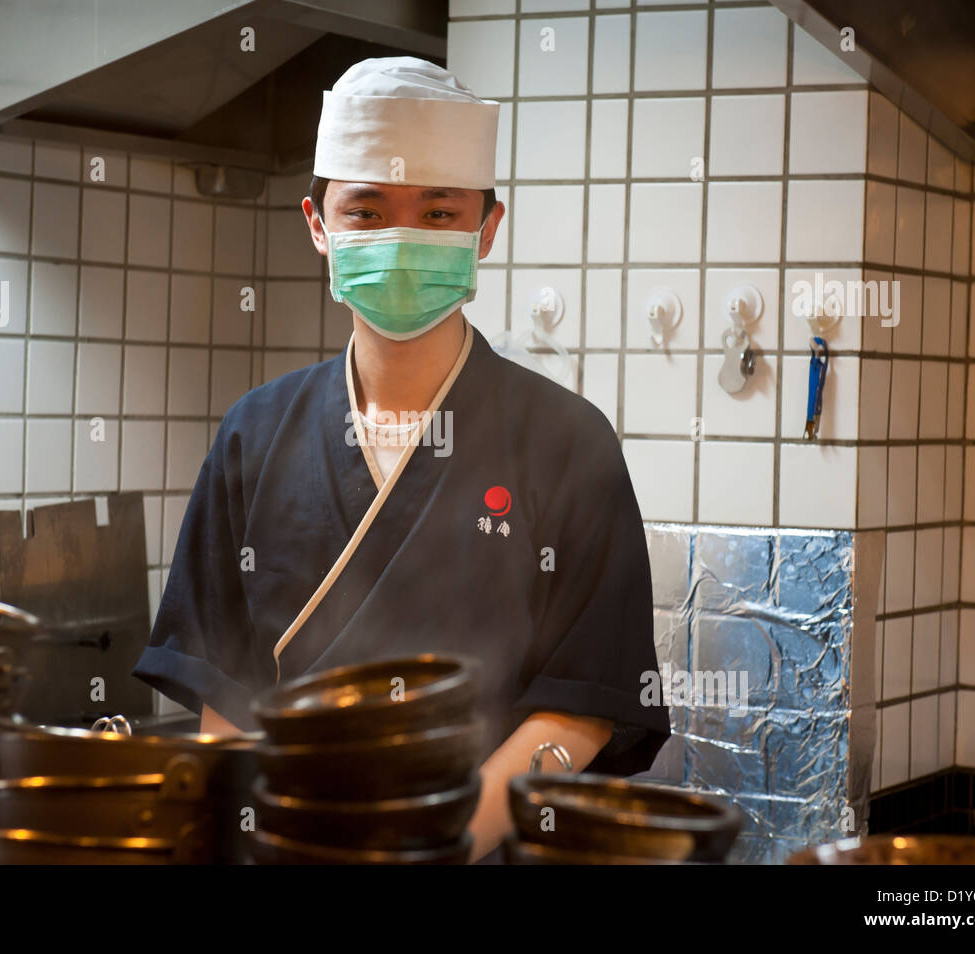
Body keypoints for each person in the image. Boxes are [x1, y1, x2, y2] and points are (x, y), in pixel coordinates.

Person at [133, 56, 668, 863]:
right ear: (319, 225)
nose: (402, 241)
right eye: (368, 210)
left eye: (440, 213)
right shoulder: (254, 433)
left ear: (487, 229)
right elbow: (223, 697)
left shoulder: (569, 441)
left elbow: (584, 704)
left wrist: (437, 844)